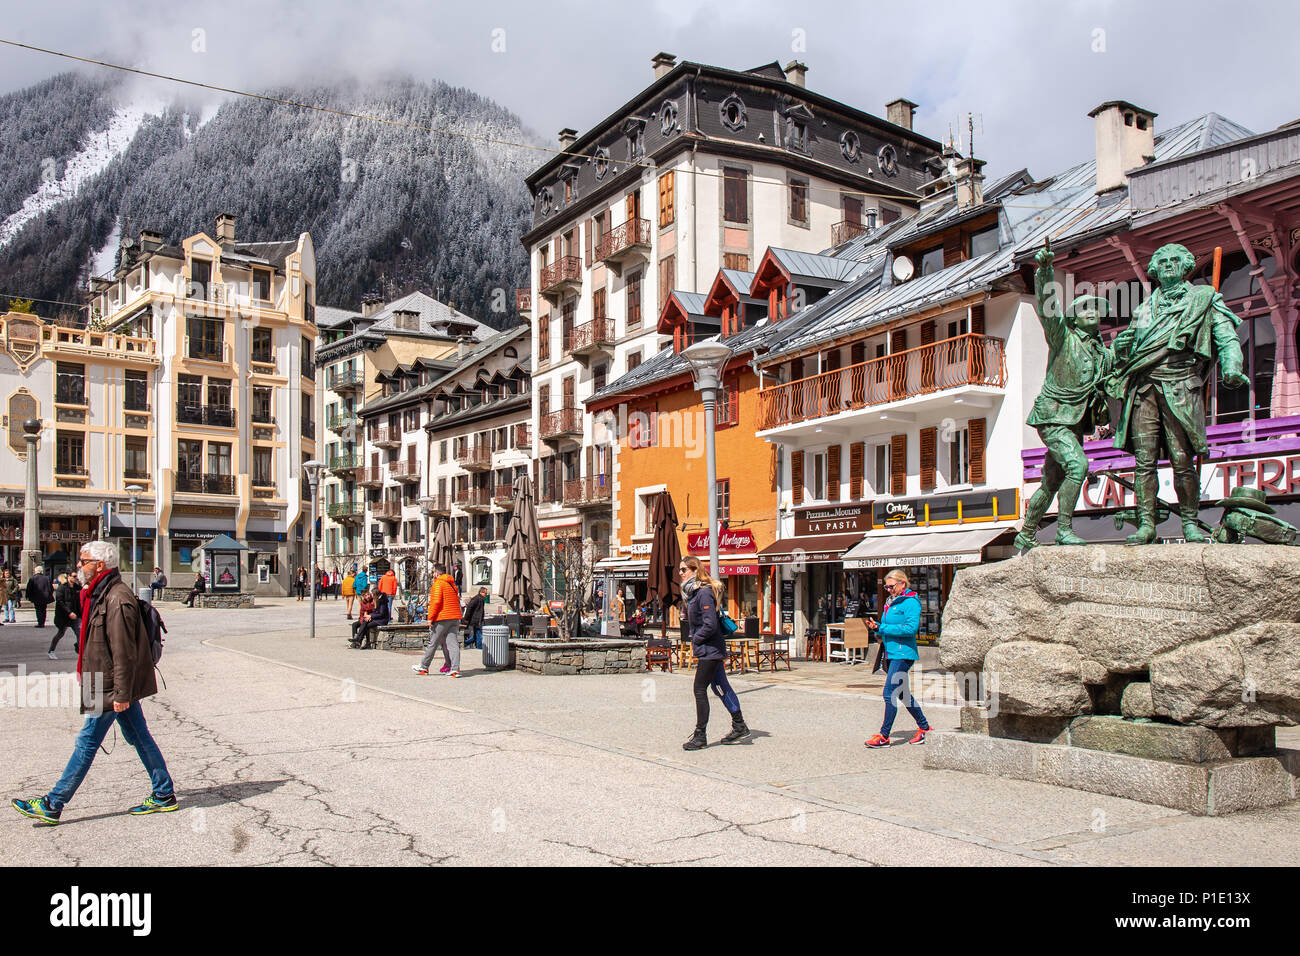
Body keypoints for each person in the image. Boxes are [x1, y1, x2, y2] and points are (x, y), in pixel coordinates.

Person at [11, 540, 177, 825]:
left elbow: (124, 652)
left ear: (100, 565)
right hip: (103, 679)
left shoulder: (117, 597)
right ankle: (163, 793)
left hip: (111, 685)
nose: (79, 565)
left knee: (87, 741)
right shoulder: (99, 592)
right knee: (138, 736)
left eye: (84, 560)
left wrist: (122, 693)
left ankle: (53, 803)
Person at [1106, 242, 1247, 544]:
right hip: (1144, 390)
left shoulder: (1204, 299)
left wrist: (1232, 367)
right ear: (1154, 270)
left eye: (1175, 260)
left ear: (1186, 267)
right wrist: (1118, 350)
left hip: (1181, 386)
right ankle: (1146, 524)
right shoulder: (1143, 310)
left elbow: (1227, 337)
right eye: (1163, 261)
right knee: (1143, 462)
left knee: (1182, 460)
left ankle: (1190, 523)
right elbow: (1131, 354)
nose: (1168, 264)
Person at [1015, 239, 1114, 550]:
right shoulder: (1062, 337)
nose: (1092, 313)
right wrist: (1044, 273)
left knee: (1052, 481)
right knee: (1078, 466)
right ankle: (1064, 530)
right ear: (1073, 317)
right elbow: (1050, 311)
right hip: (1053, 415)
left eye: (1096, 309)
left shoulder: (1102, 352)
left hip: (1074, 421)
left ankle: (1026, 532)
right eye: (1085, 308)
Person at [679, 556, 750, 751]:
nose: (680, 573)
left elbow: (710, 624)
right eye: (680, 570)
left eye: (684, 569)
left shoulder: (703, 594)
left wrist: (696, 638)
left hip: (710, 649)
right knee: (720, 685)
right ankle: (739, 725)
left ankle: (700, 735)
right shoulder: (693, 594)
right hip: (710, 648)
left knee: (699, 689)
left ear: (694, 570)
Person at [864, 569, 932, 747]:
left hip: (903, 654)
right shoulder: (890, 602)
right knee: (902, 693)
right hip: (892, 652)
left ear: (903, 584)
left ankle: (884, 736)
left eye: (891, 586)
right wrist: (877, 626)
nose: (889, 589)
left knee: (889, 693)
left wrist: (884, 628)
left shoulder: (910, 603)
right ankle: (924, 728)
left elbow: (910, 629)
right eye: (886, 586)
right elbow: (890, 625)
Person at [413, 563, 462, 677]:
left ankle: (424, 667)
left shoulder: (438, 584)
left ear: (437, 573)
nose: (432, 574)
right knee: (453, 644)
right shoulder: (451, 584)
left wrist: (430, 618)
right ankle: (455, 669)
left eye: (433, 572)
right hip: (454, 616)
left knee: (433, 642)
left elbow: (436, 602)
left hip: (442, 617)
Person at [48, 572, 81, 659]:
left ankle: (81, 651)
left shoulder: (77, 588)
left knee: (79, 633)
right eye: (74, 576)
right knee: (60, 633)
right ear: (68, 577)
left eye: (76, 576)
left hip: (75, 615)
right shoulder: (62, 588)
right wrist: (69, 612)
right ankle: (51, 651)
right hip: (64, 615)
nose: (75, 578)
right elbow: (60, 602)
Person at [26, 564, 54, 628]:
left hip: (36, 597)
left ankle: (40, 622)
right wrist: (49, 594)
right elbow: (51, 588)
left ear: (36, 571)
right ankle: (42, 622)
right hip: (45, 597)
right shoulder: (46, 578)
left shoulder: (32, 578)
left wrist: (28, 596)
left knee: (38, 609)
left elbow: (29, 588)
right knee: (44, 609)